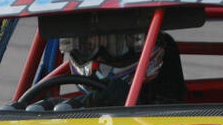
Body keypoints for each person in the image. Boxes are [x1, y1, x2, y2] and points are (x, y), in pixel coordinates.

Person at [53, 28, 187, 109]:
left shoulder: (175, 115)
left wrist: (138, 104)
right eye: (88, 46)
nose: (97, 62)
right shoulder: (61, 106)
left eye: (113, 46)